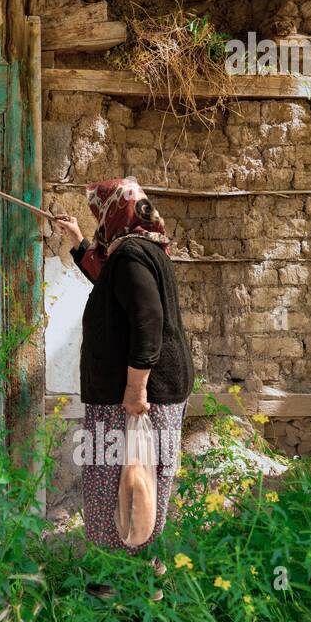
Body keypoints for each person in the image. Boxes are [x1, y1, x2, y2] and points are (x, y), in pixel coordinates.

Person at [47, 178, 193, 599]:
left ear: (115, 213)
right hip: (146, 392)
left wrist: (135, 389)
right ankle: (144, 580)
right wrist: (77, 241)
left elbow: (148, 320)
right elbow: (108, 280)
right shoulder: (141, 250)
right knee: (142, 480)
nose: (100, 224)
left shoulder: (130, 255)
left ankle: (114, 584)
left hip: (134, 397)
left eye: (100, 215)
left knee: (116, 485)